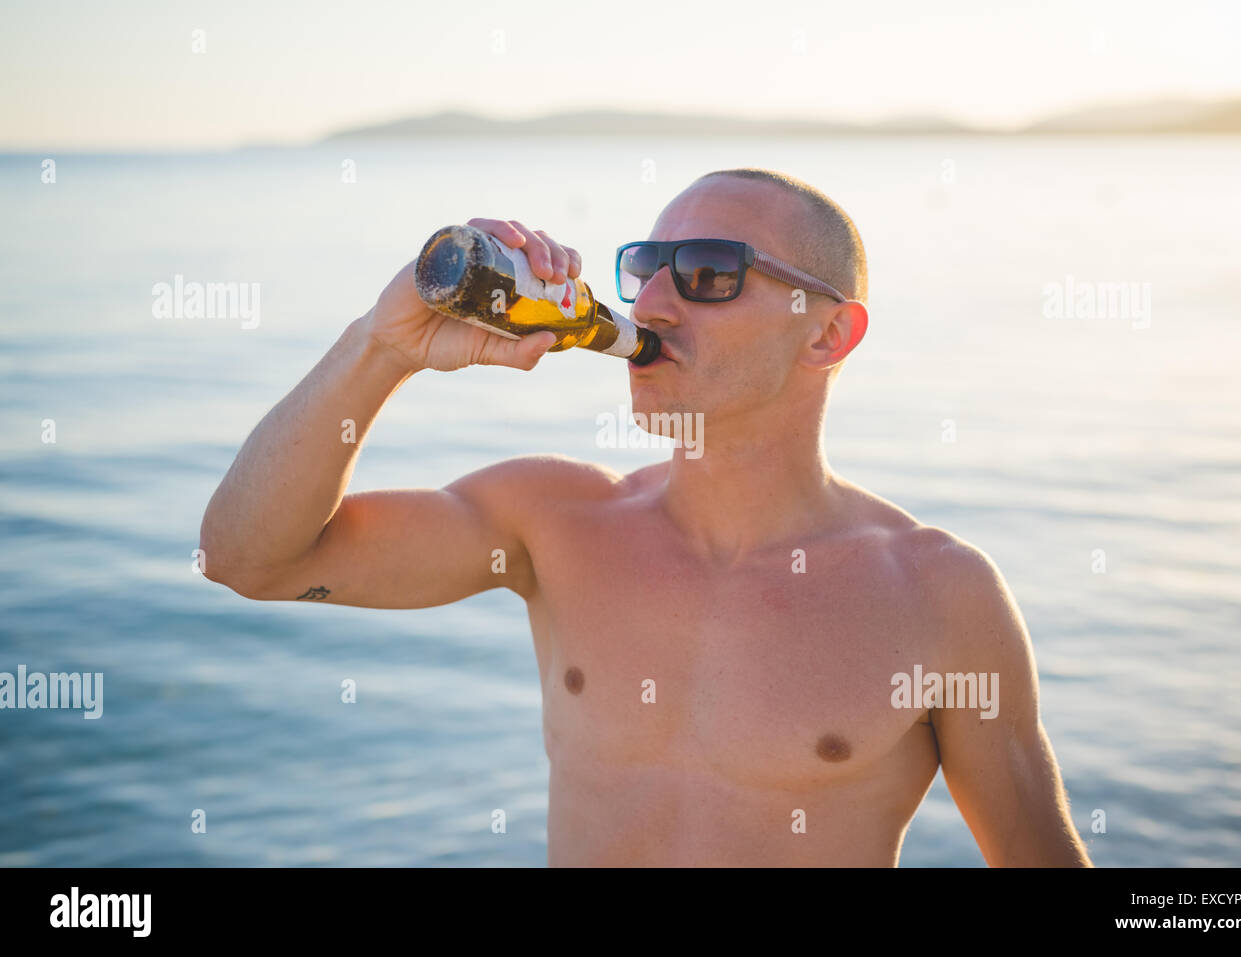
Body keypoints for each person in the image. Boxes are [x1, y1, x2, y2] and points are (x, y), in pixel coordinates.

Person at [199, 166, 1092, 867]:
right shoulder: (552, 521)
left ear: (829, 334)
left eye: (708, 274)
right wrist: (382, 345)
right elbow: (249, 559)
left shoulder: (939, 596)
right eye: (645, 269)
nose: (651, 304)